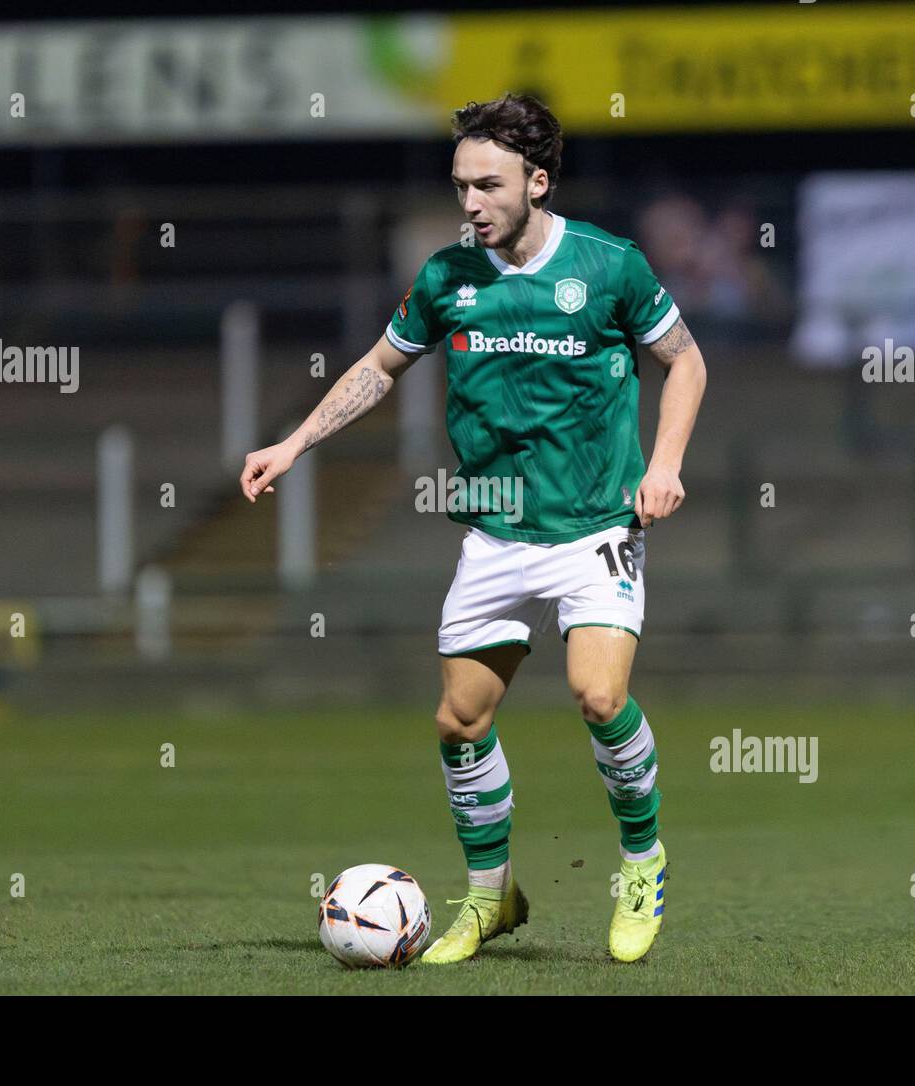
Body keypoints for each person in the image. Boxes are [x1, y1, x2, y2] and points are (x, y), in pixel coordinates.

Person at [240, 93, 706, 964]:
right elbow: (380, 368)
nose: (470, 204)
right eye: (460, 186)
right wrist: (295, 442)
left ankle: (643, 862)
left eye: (487, 186)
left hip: (593, 524)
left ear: (537, 181)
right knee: (460, 720)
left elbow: (684, 359)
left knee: (598, 696)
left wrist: (665, 463)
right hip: (495, 535)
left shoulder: (610, 267)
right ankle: (490, 897)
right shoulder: (446, 277)